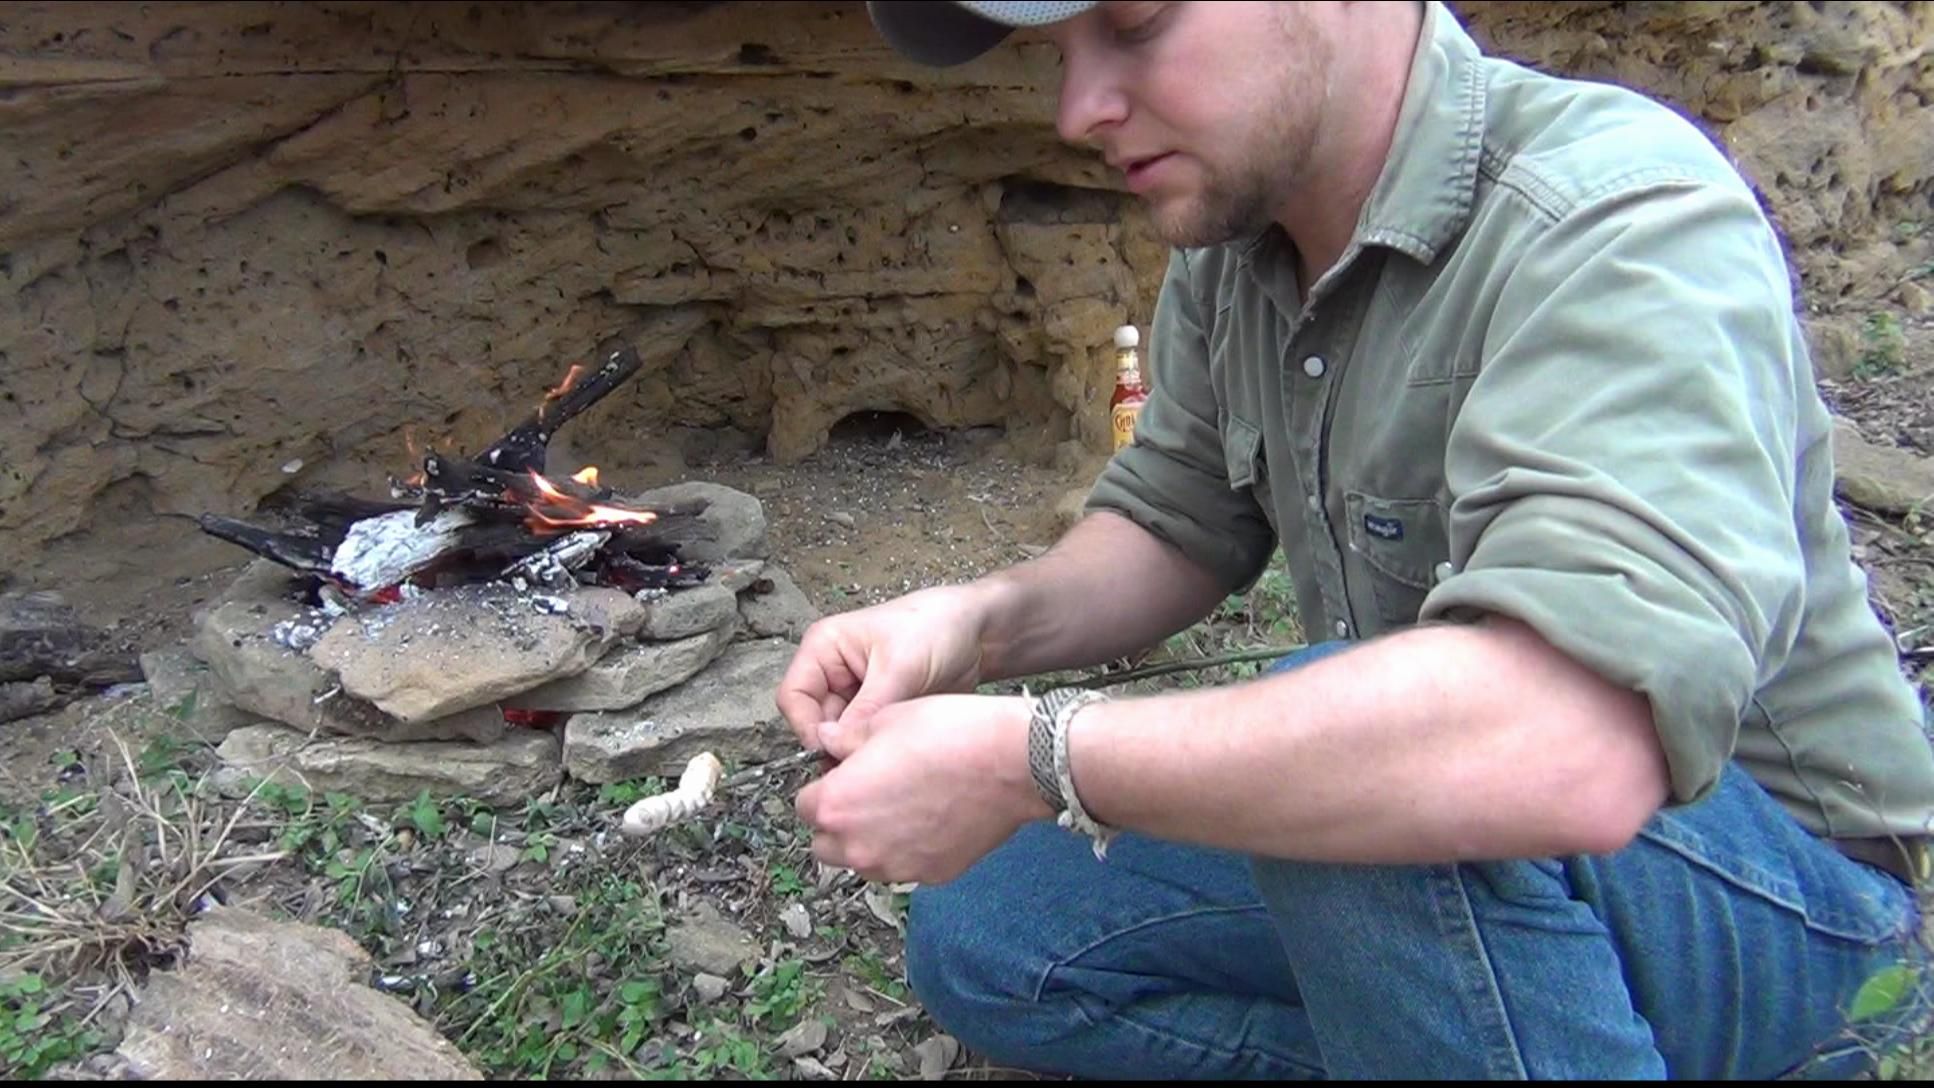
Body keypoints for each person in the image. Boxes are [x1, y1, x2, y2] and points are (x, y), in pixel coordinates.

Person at [777, 1, 1934, 1079]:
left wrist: (1028, 755)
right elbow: (1174, 517)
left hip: (1799, 908)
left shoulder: (1615, 213)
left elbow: (1561, 744)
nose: (1077, 109)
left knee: (1361, 777)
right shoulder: (1240, 243)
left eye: (1131, 21)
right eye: (1055, 53)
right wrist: (974, 622)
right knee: (995, 929)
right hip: (1482, 862)